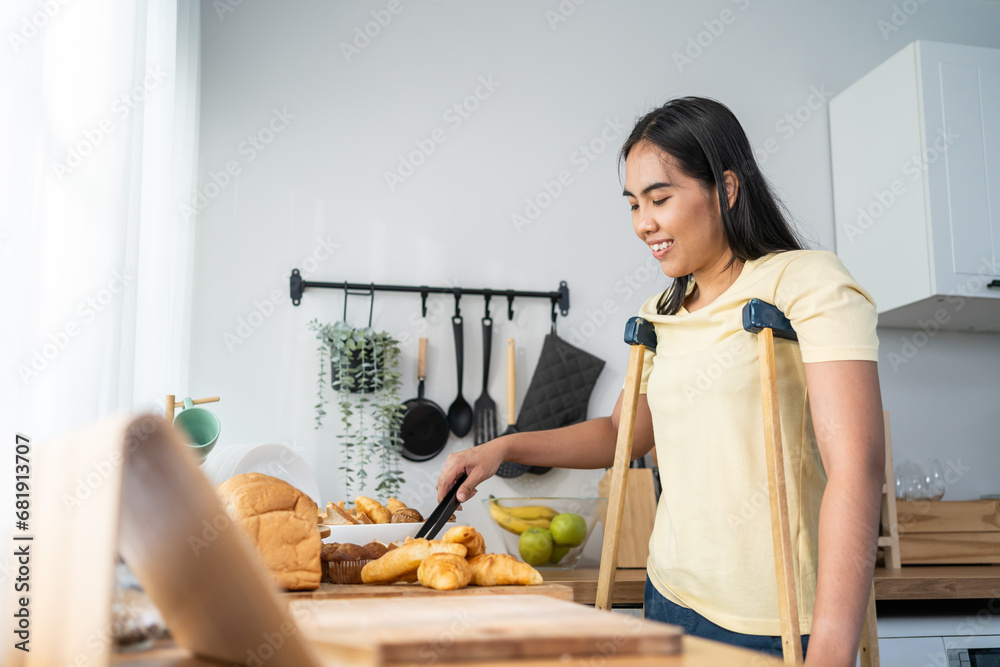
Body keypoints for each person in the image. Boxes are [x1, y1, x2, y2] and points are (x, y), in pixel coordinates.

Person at [436, 97, 884, 665]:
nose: (643, 222)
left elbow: (858, 468)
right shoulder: (660, 313)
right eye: (632, 204)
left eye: (660, 198)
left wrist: (831, 648)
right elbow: (625, 436)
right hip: (670, 599)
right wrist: (502, 449)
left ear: (725, 188)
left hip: (774, 619)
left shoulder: (806, 282)